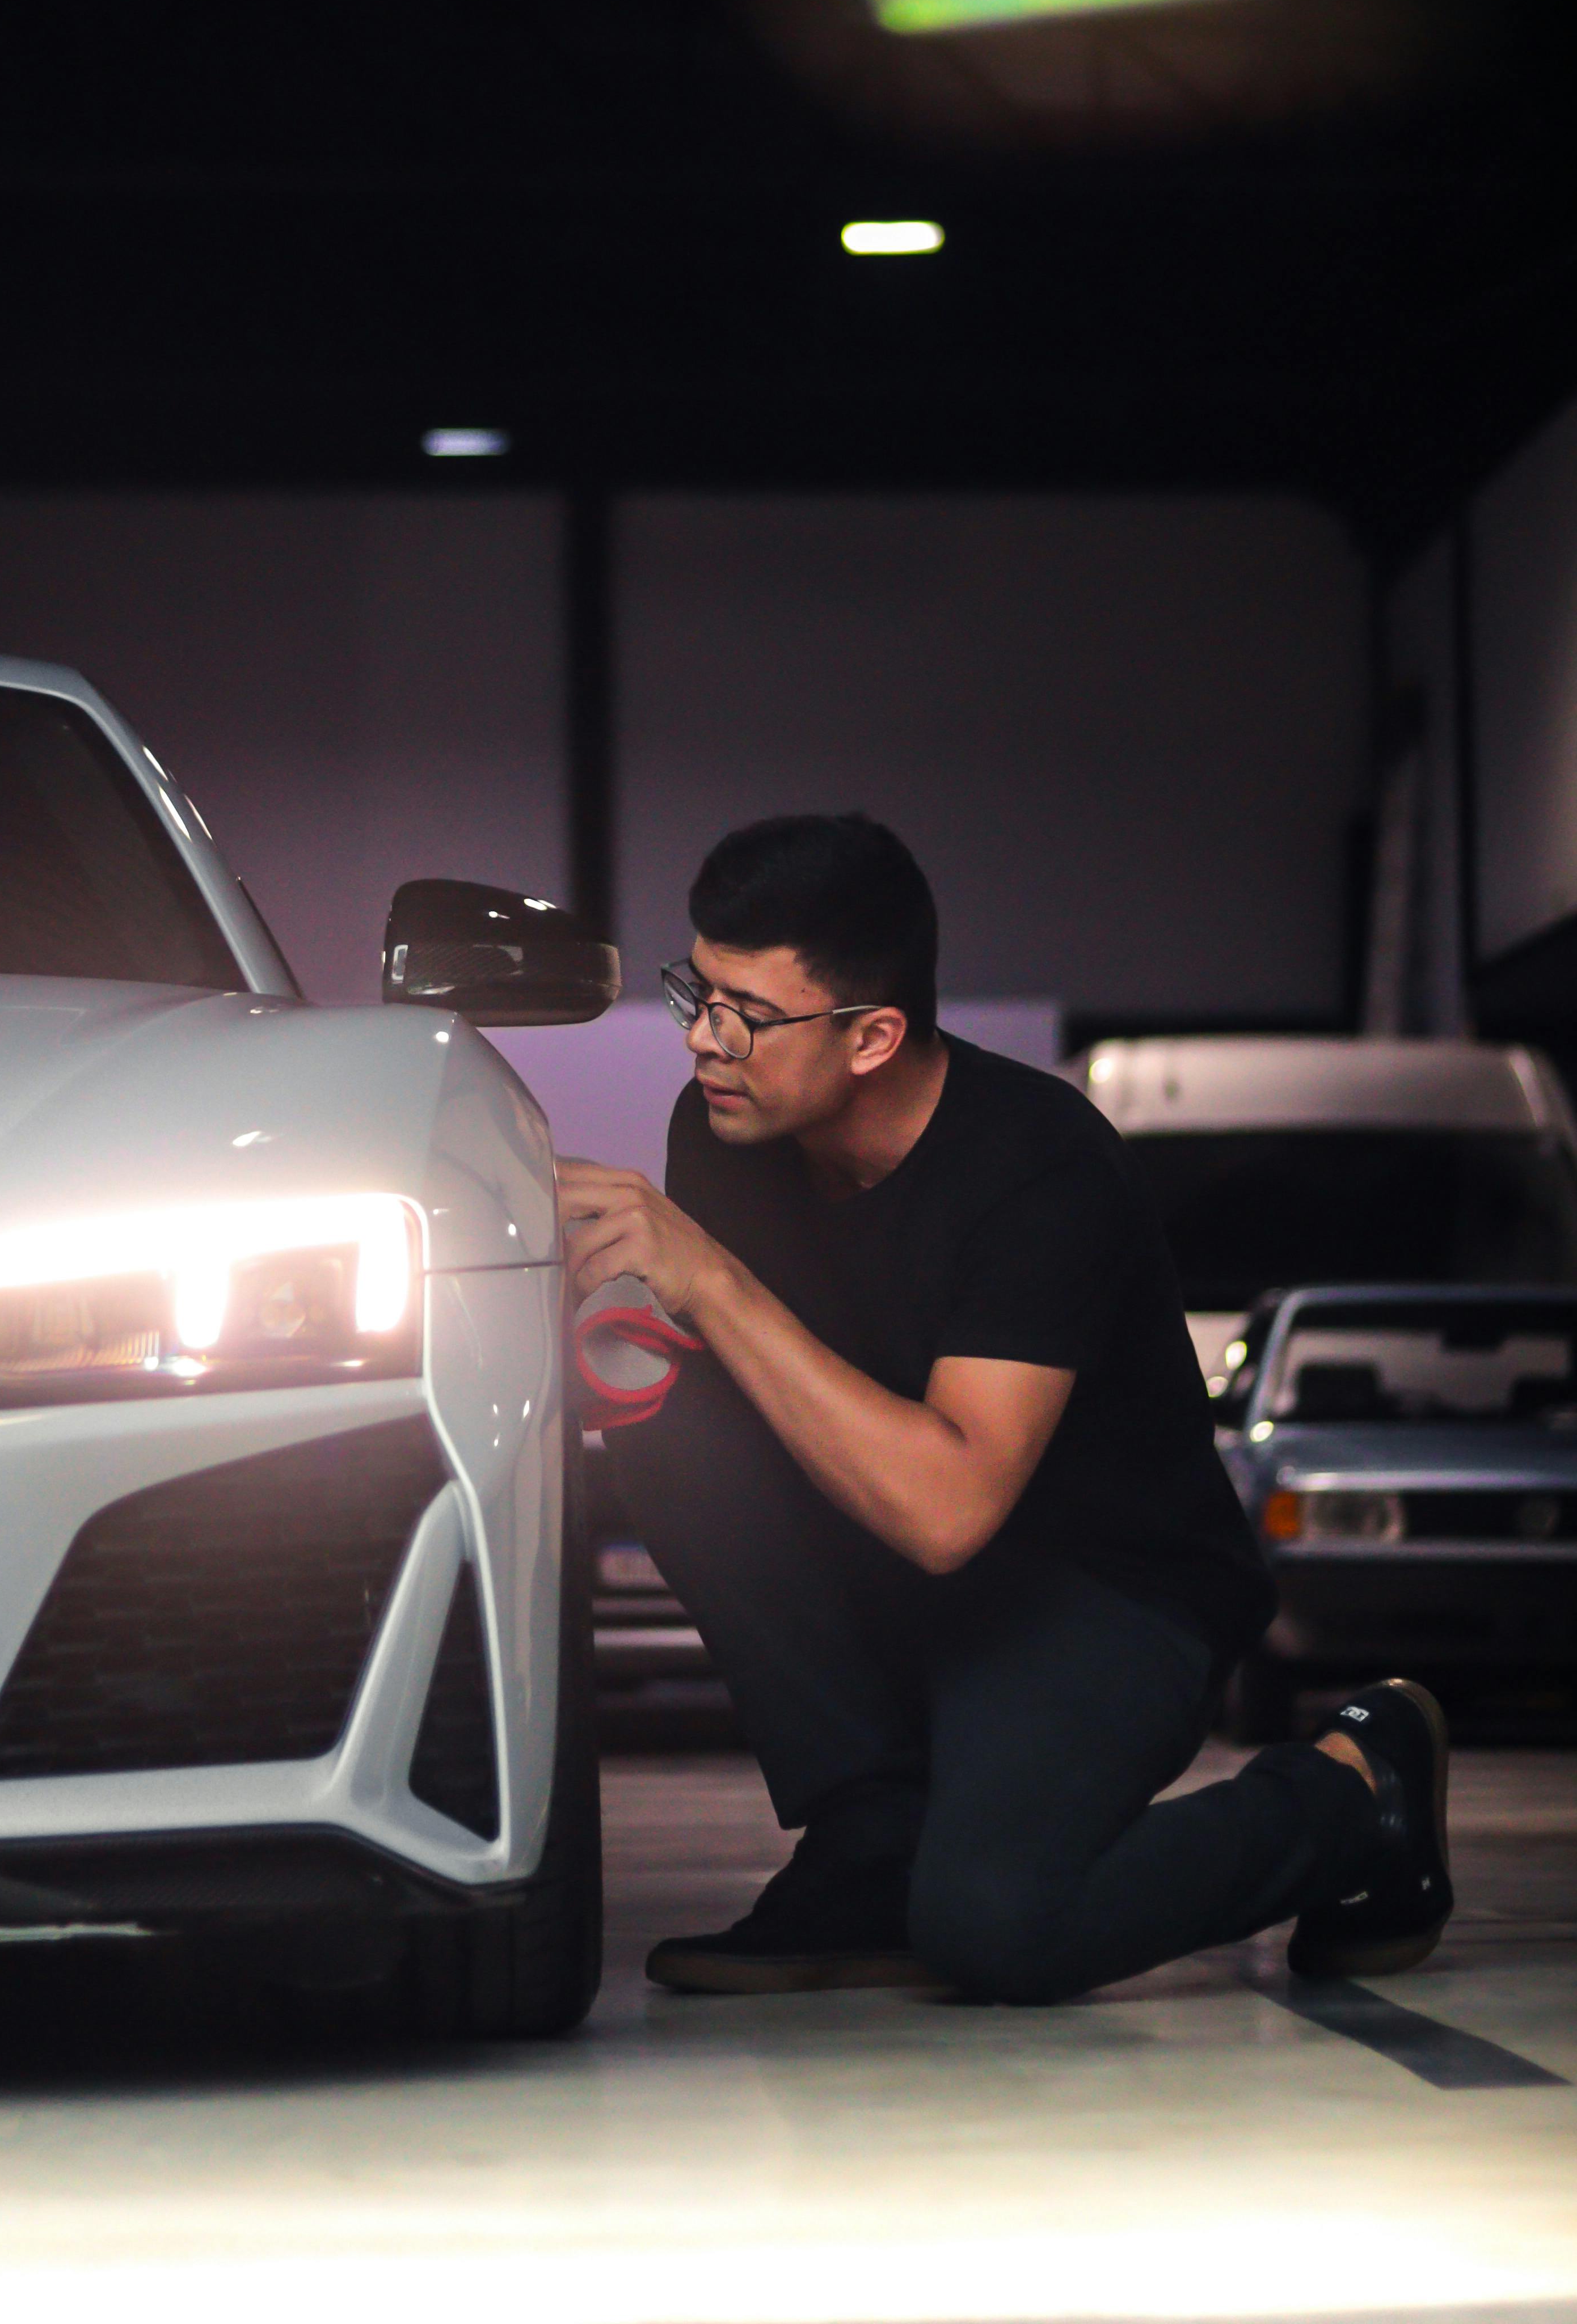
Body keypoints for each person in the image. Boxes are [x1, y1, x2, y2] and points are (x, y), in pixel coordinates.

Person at [556, 812, 1453, 2002]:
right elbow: (764, 1402)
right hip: (911, 1566)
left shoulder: (1042, 1168)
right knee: (664, 1409)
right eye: (698, 994)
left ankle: (1353, 1794)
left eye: (747, 1016)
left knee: (998, 1925)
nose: (702, 1042)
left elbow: (948, 1511)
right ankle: (870, 1831)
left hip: (1108, 1592)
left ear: (873, 1036)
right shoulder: (724, 1134)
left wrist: (709, 1278)